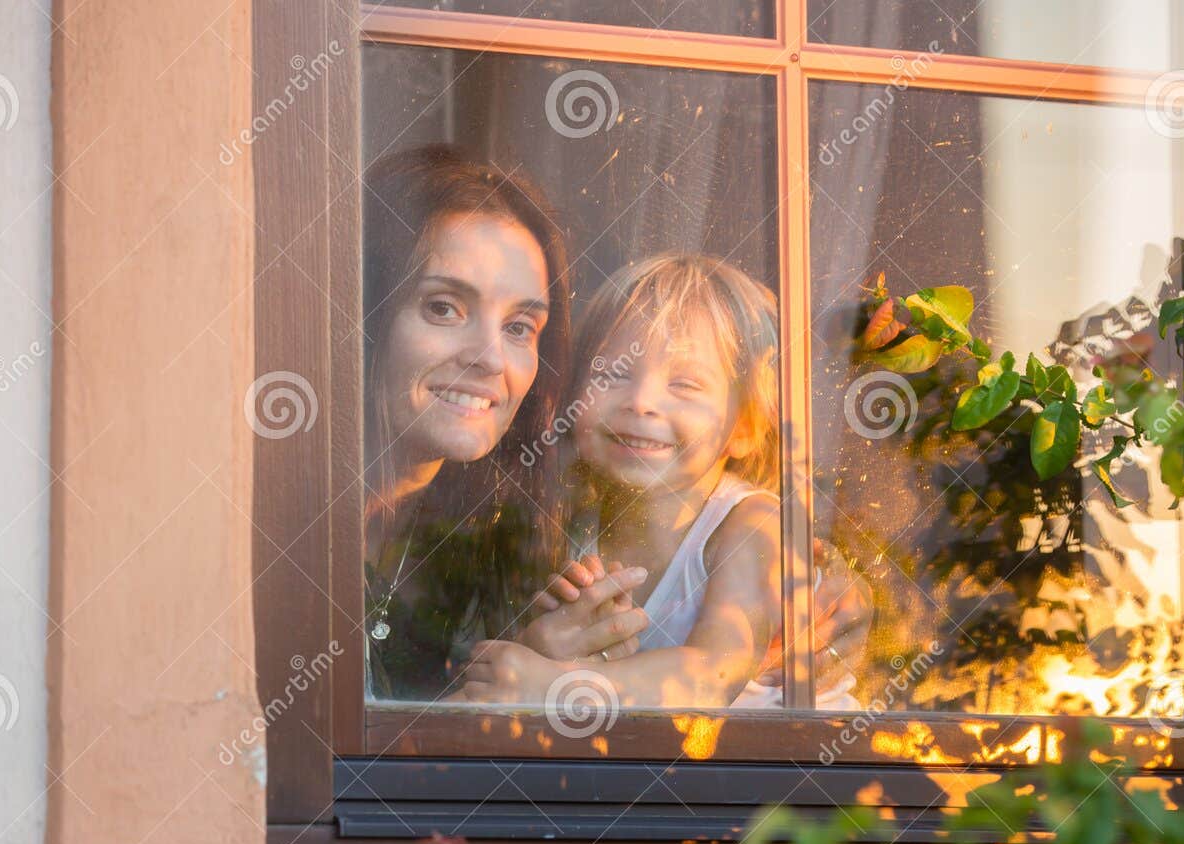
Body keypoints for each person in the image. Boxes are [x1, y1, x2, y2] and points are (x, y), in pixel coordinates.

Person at [460, 254, 861, 710]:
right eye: (612, 374)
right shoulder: (570, 526)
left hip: (798, 776)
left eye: (686, 385)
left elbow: (712, 676)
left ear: (745, 426)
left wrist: (556, 688)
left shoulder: (751, 523)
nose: (642, 402)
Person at [360, 146, 648, 699]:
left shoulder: (504, 528)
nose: (491, 358)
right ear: (365, 310)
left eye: (520, 326)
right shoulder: (278, 526)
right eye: (444, 307)